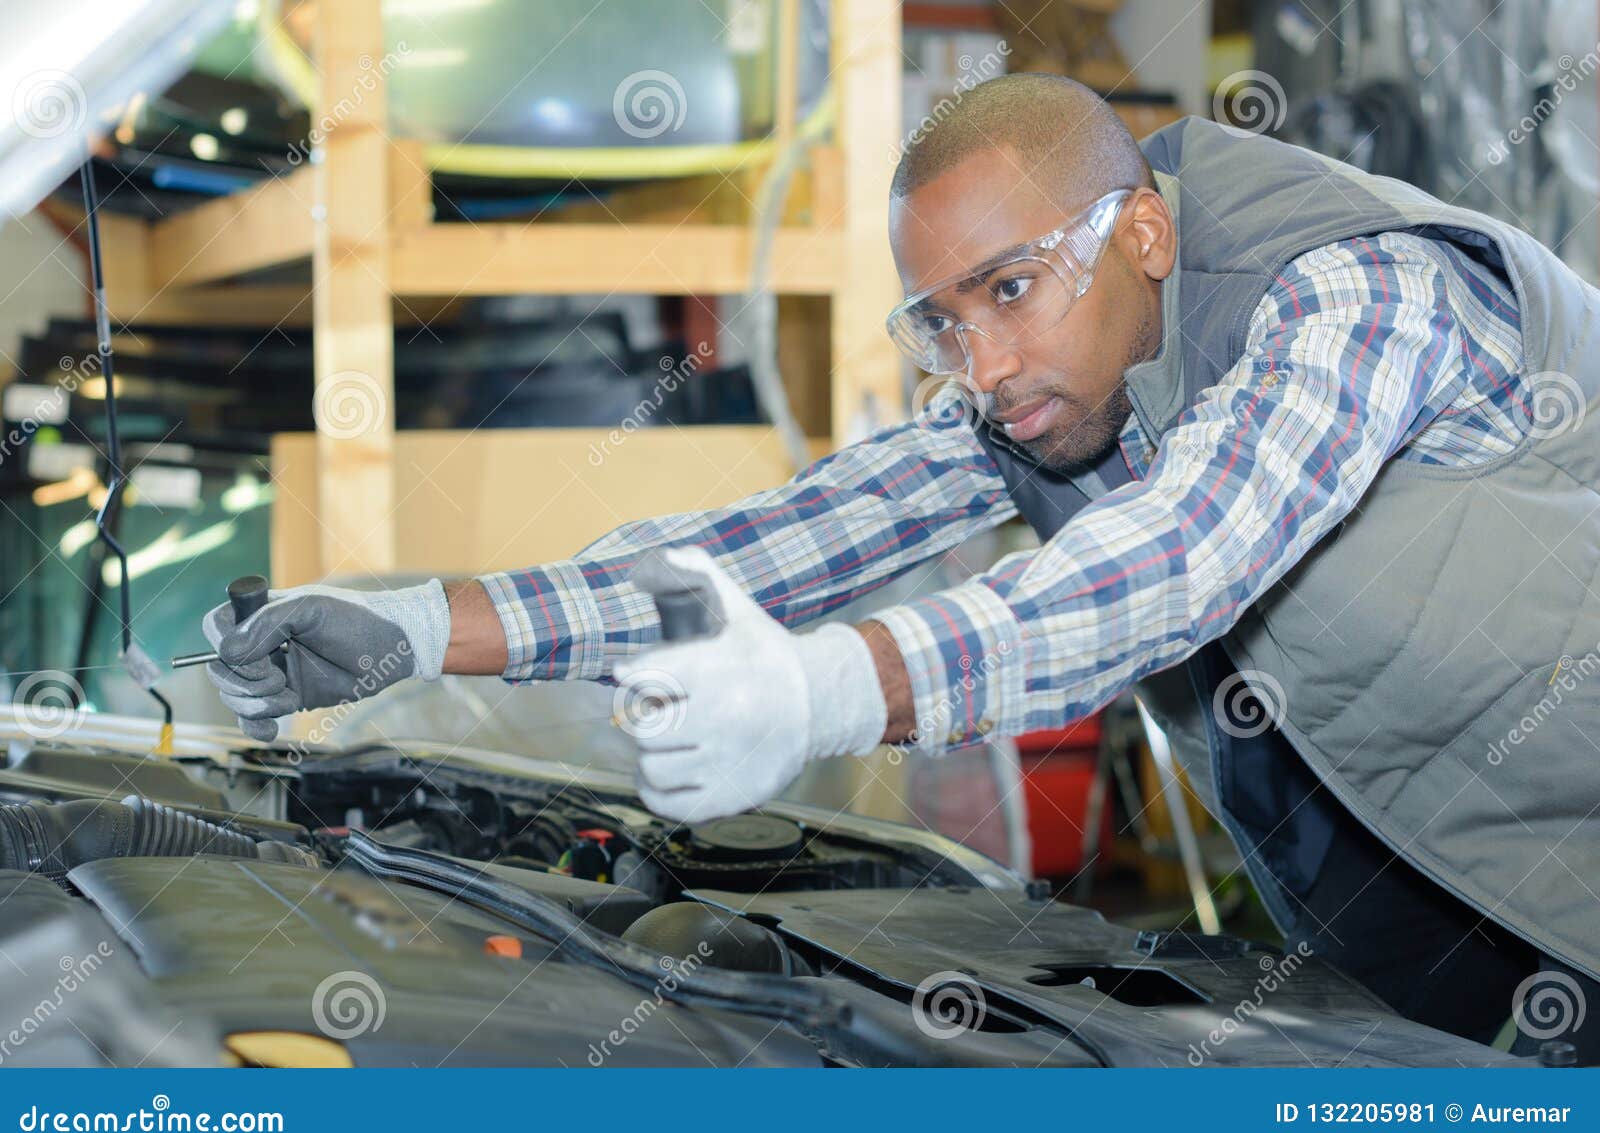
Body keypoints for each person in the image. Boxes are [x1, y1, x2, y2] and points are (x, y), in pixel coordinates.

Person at [203, 74, 1600, 1058]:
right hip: (1426, 948)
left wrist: (823, 694)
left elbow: (1180, 554)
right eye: (938, 321)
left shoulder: (1361, 289)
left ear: (1148, 235)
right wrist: (417, 626)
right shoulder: (1055, 384)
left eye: (1008, 288)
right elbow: (775, 545)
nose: (981, 367)